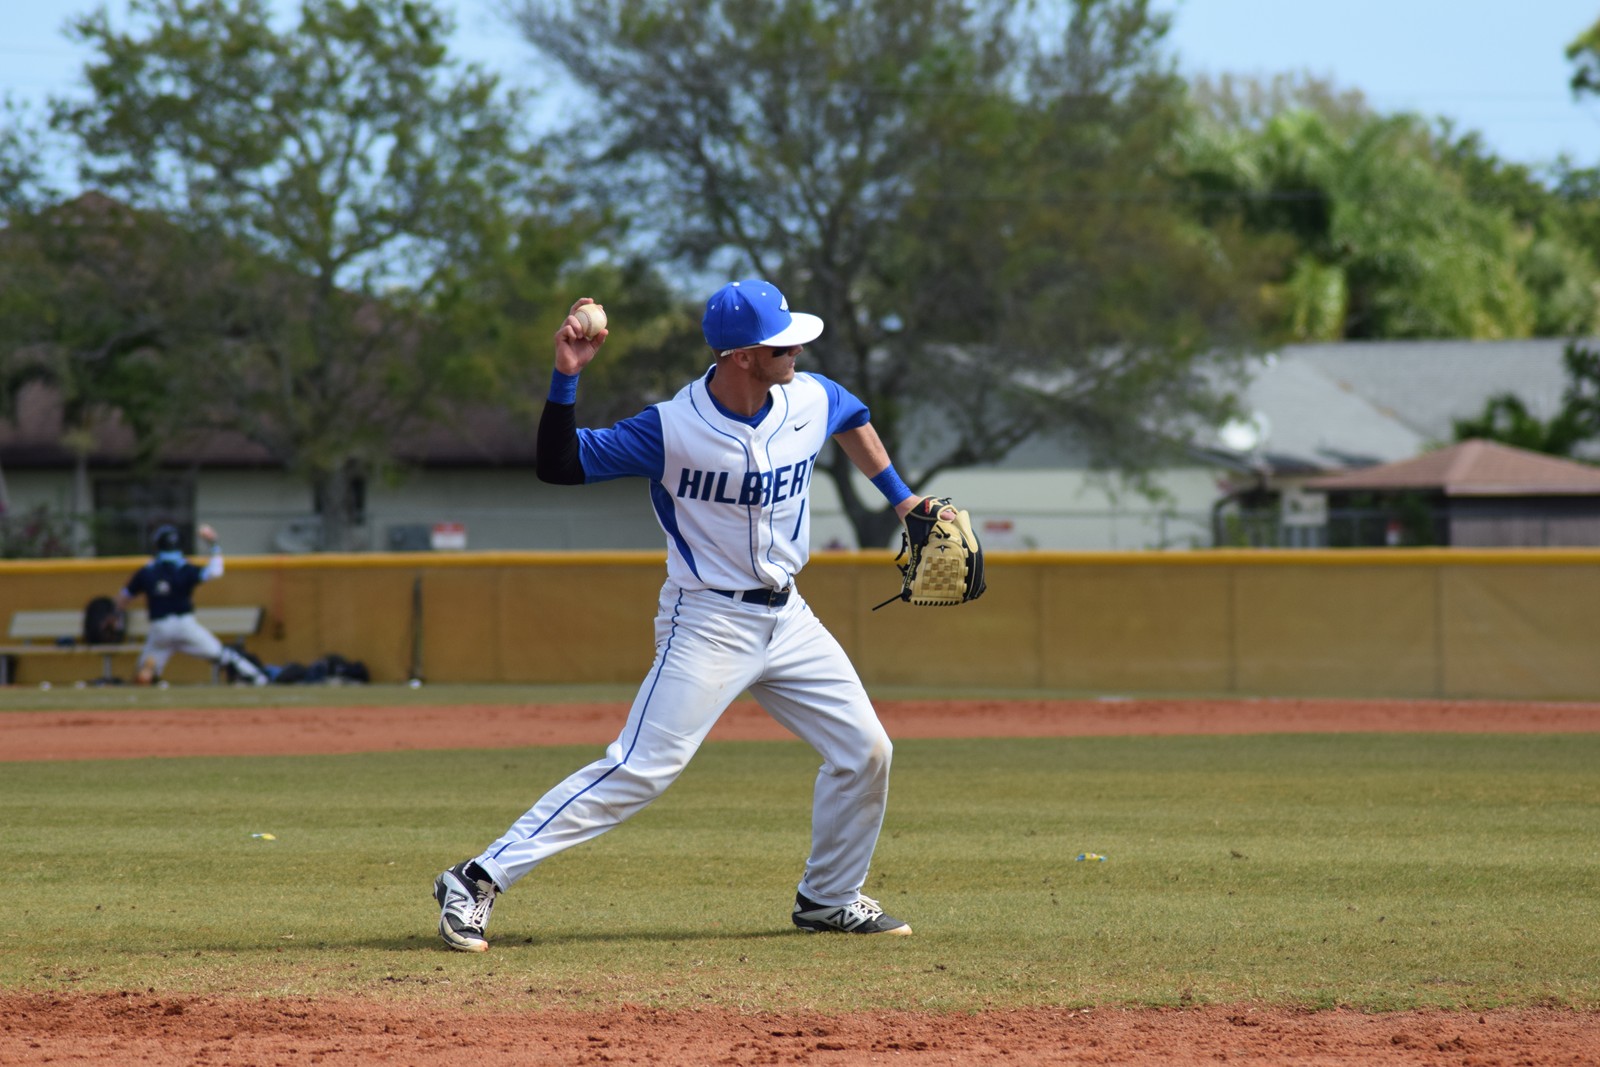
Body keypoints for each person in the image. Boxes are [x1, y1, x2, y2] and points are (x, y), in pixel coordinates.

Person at [433, 279, 941, 951]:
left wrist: (905, 502)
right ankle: (477, 876)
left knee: (866, 750)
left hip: (790, 617)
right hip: (707, 622)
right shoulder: (671, 428)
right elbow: (559, 465)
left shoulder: (808, 397)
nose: (795, 347)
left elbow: (852, 416)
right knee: (641, 766)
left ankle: (828, 896)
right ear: (739, 357)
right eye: (778, 341)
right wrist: (565, 378)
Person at [116, 523, 268, 686]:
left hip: (160, 628)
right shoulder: (185, 568)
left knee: (144, 672)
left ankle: (151, 676)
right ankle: (256, 677)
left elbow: (123, 597)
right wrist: (213, 544)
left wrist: (115, 615)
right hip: (185, 625)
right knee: (221, 655)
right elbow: (216, 571)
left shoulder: (147, 571)